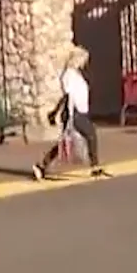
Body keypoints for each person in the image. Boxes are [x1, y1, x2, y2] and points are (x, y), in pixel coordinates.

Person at [32, 44, 108, 181]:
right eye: (84, 60)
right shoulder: (69, 74)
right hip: (74, 112)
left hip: (80, 111)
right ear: (78, 59)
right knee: (90, 134)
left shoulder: (76, 74)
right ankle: (95, 167)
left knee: (66, 142)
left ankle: (42, 166)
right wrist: (57, 113)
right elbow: (67, 96)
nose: (85, 63)